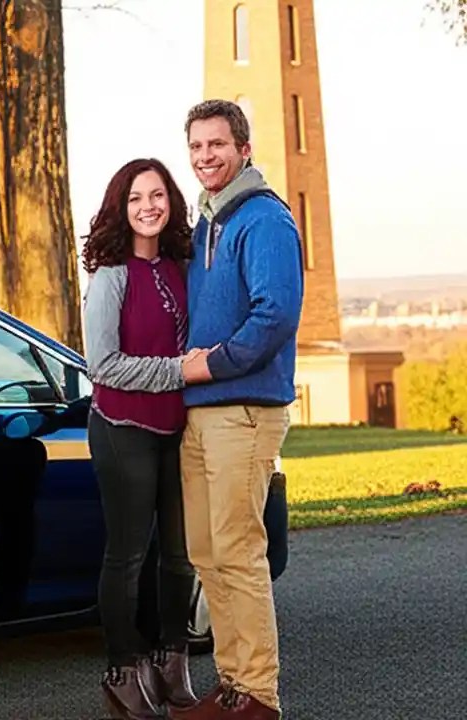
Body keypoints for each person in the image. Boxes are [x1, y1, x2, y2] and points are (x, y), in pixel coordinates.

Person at [175, 99, 304, 720]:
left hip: (243, 410)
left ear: (243, 150)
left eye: (217, 145)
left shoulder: (263, 219)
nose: (206, 157)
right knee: (207, 552)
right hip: (200, 413)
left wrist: (213, 363)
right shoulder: (209, 223)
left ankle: (258, 696)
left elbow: (275, 313)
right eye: (197, 147)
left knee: (238, 549)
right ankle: (230, 687)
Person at [81, 158, 206, 719]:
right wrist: (179, 371)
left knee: (179, 557)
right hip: (122, 430)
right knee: (128, 556)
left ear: (171, 202)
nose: (148, 206)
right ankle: (123, 668)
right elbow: (103, 365)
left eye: (157, 195)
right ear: (120, 207)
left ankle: (172, 661)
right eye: (135, 198)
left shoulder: (182, 264)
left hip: (178, 432)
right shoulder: (110, 275)